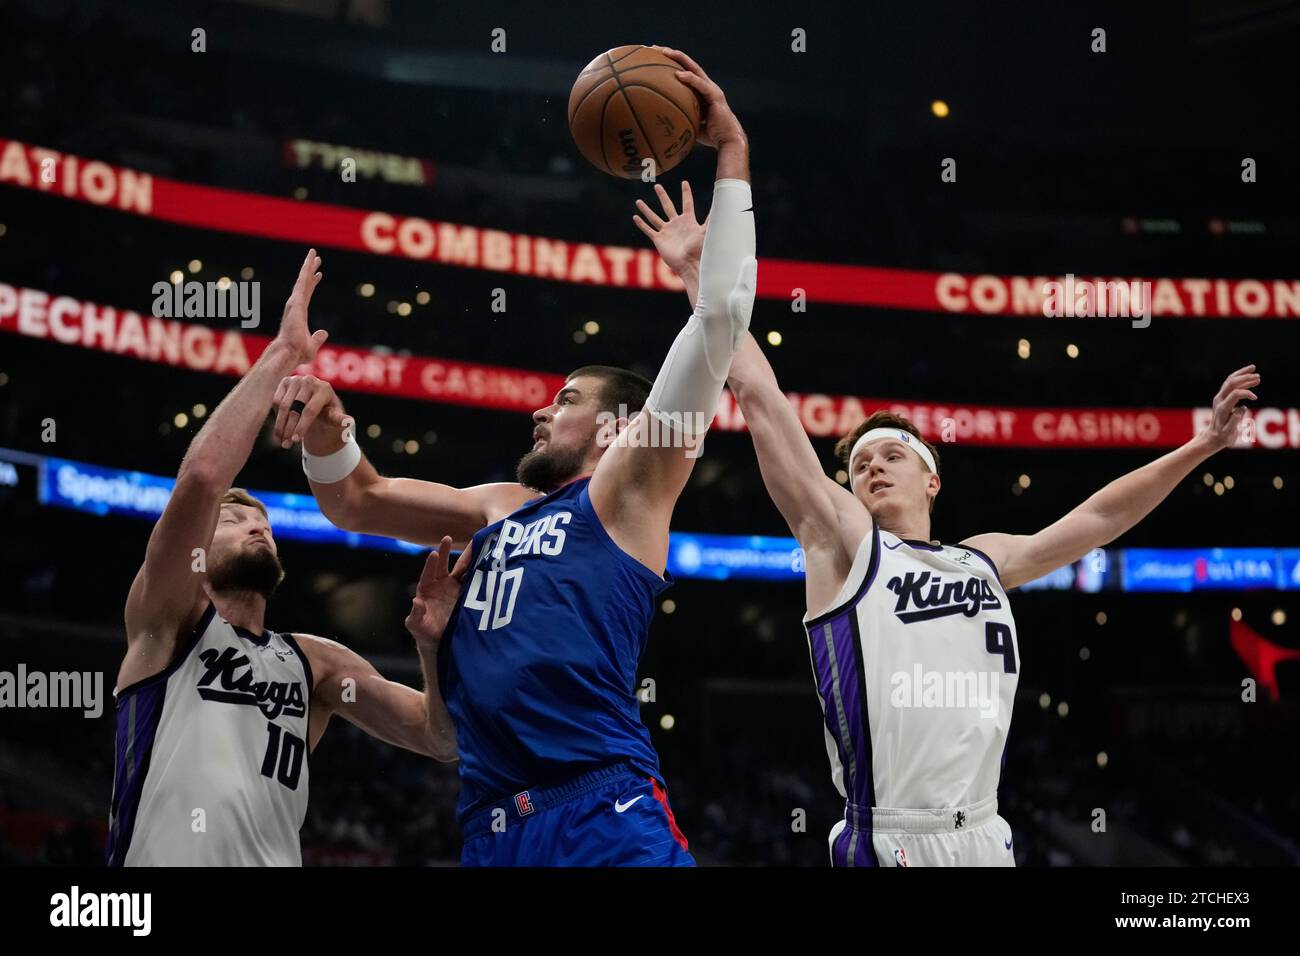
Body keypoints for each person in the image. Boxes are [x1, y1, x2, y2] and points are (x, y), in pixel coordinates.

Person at [634, 182, 1262, 866]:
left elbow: (1101, 516)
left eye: (891, 454)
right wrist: (700, 278)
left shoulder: (985, 560)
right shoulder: (844, 545)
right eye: (860, 462)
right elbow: (758, 394)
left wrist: (1202, 446)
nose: (872, 467)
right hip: (892, 834)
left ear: (931, 478)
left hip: (987, 835)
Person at [273, 49, 755, 865]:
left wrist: (731, 152)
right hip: (491, 828)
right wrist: (326, 427)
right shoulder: (497, 504)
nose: (542, 407)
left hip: (603, 809)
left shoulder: (631, 488)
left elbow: (721, 320)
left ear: (616, 428)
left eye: (567, 399)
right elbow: (362, 500)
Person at [109, 250, 457, 867]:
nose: (257, 526)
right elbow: (201, 480)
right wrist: (284, 357)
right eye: (236, 518)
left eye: (263, 521)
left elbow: (439, 737)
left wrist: (431, 648)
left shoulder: (317, 663)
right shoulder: (166, 622)